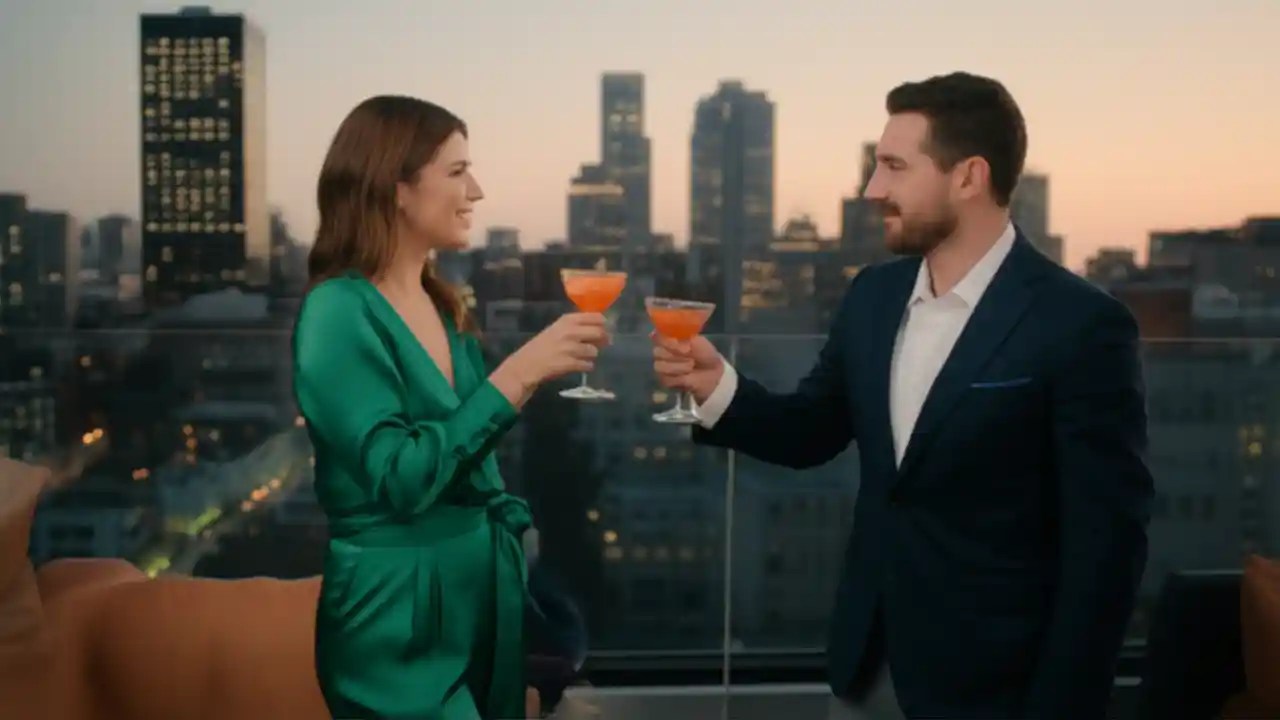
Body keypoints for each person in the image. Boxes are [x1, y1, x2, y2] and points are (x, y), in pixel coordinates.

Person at [653, 72, 1153, 719]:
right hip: (866, 672)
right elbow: (811, 430)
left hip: (1000, 688)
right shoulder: (873, 296)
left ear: (968, 176)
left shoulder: (1080, 323)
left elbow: (1106, 548)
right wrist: (715, 385)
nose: (872, 189)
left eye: (893, 167)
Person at [293, 95, 608, 719]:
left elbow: (471, 459)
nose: (478, 191)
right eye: (458, 171)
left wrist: (512, 530)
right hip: (395, 618)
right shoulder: (335, 312)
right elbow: (404, 480)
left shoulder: (446, 306)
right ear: (397, 188)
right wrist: (520, 372)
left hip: (478, 603)